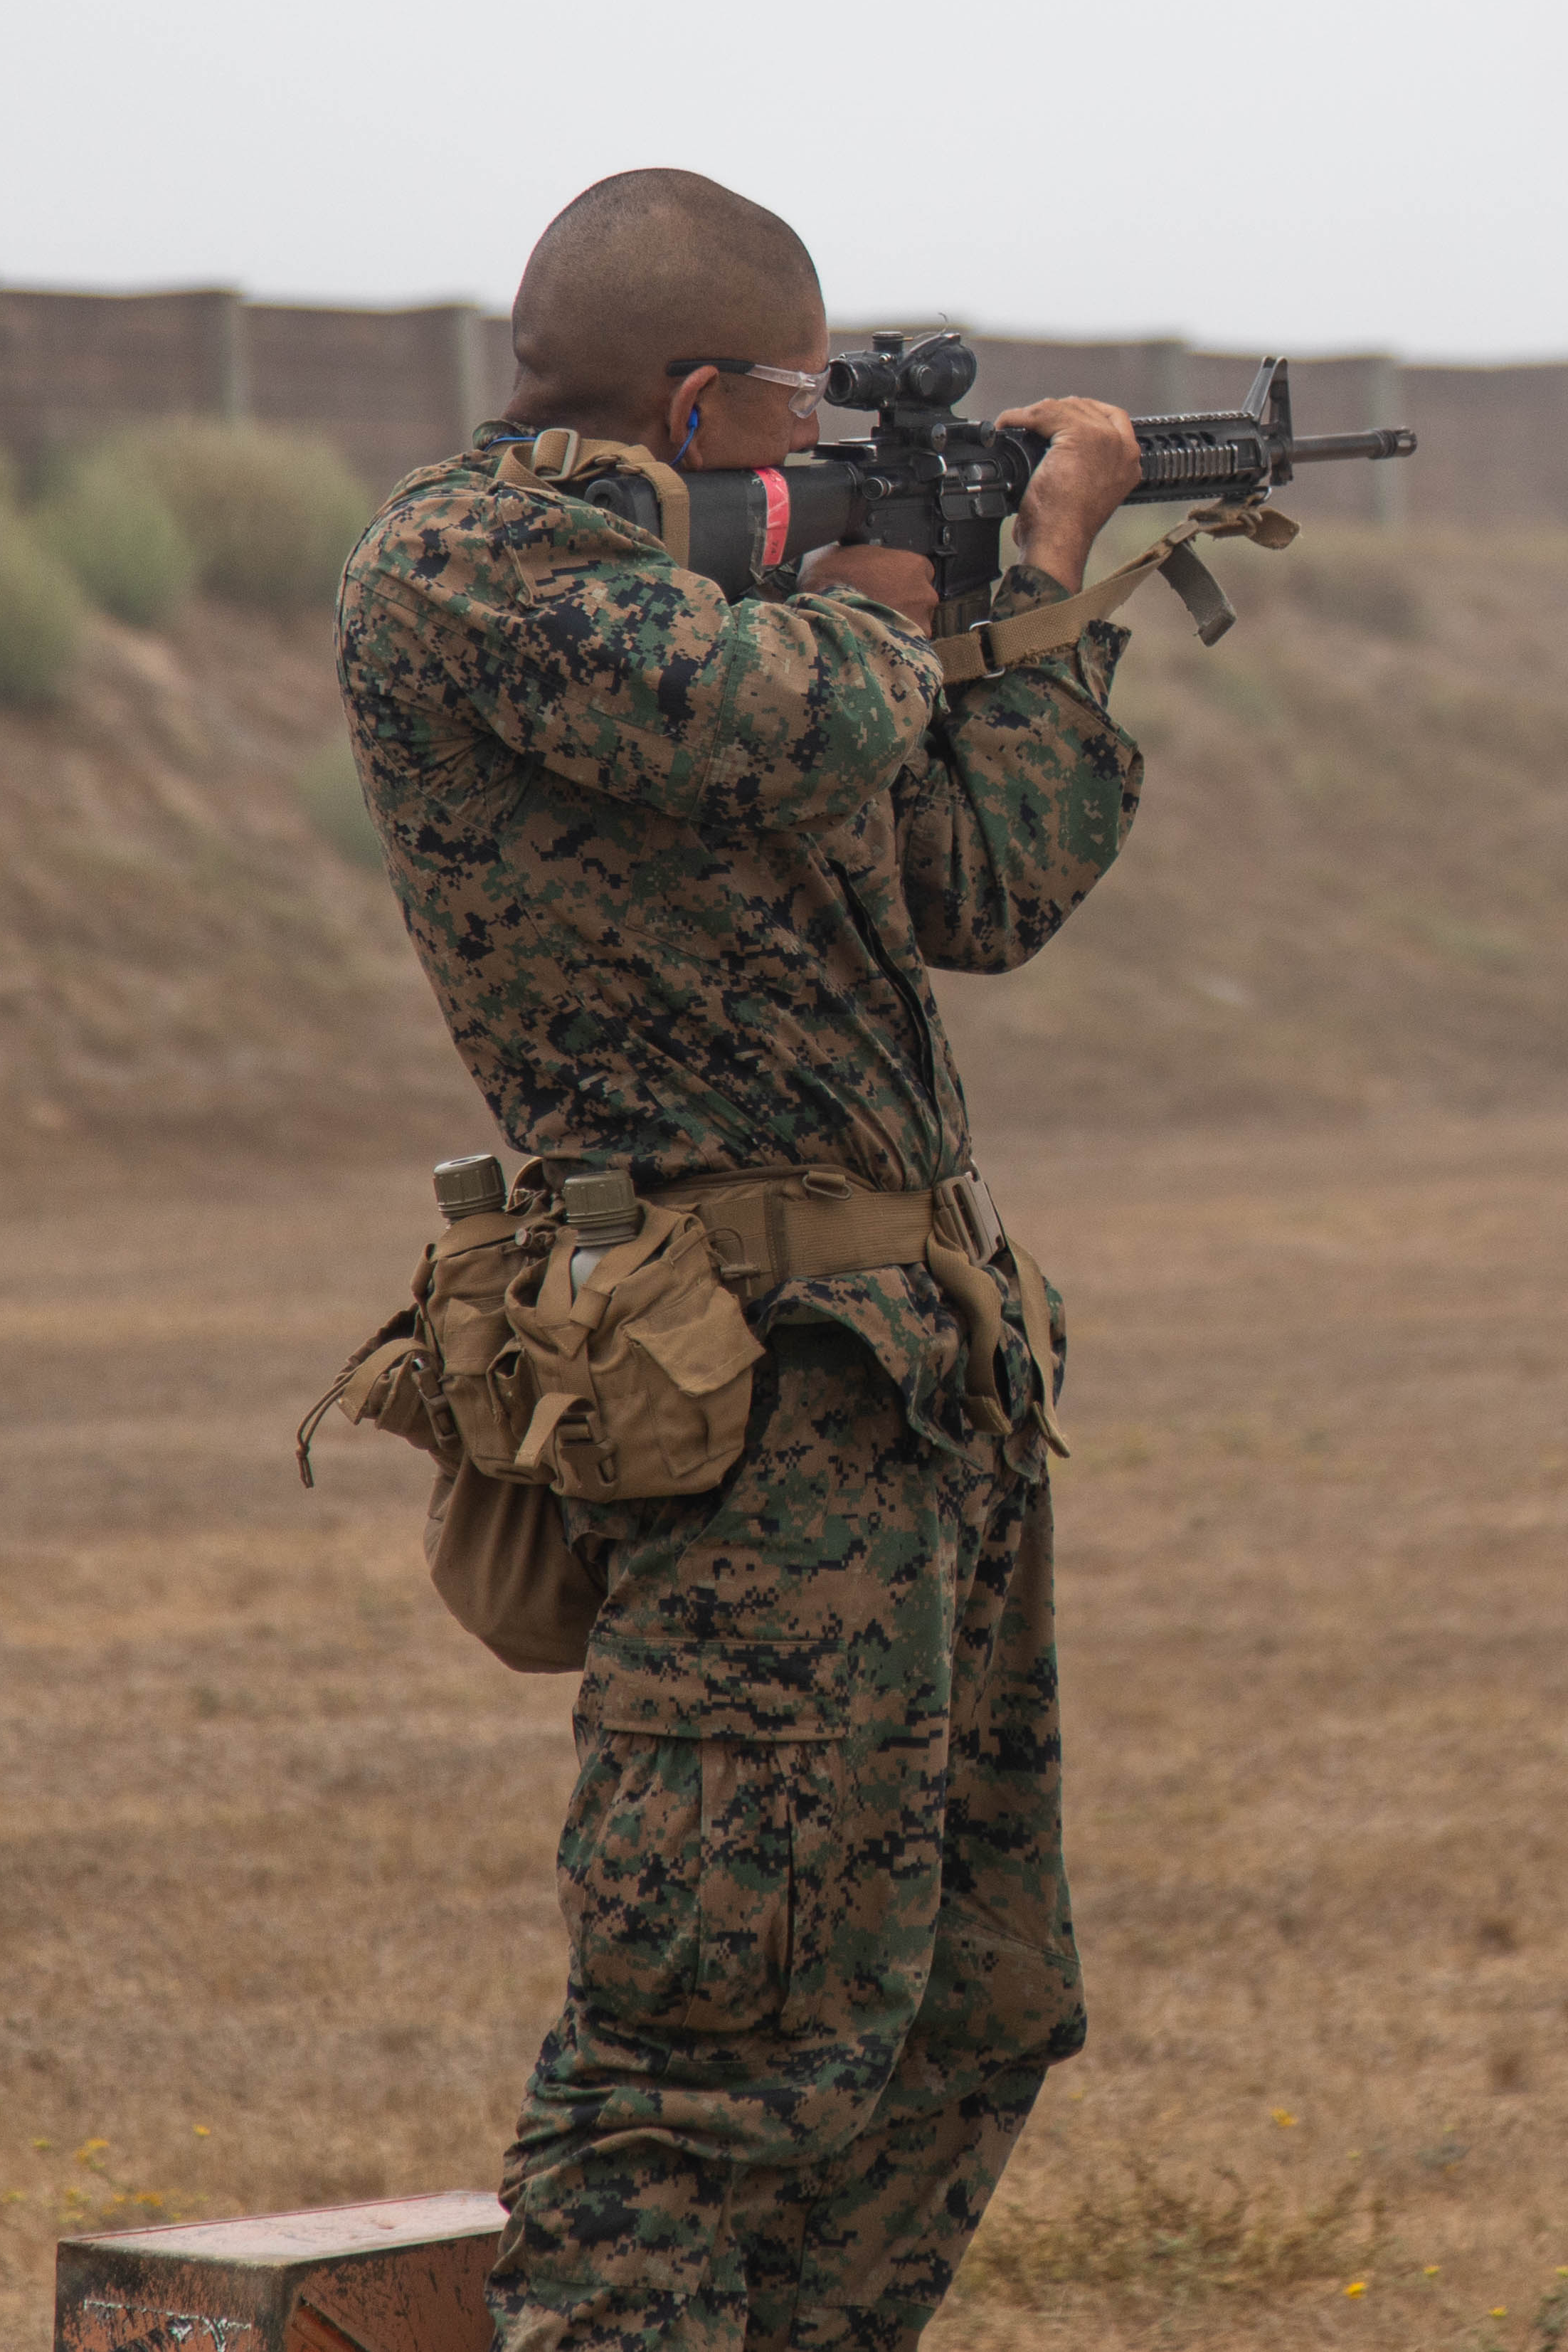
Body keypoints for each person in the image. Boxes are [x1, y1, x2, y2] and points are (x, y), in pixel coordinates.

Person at [330, 166, 1146, 2352]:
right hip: (737, 1385)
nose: (812, 453)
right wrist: (891, 597)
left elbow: (986, 876)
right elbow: (776, 713)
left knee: (968, 2011)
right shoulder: (473, 560)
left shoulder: (774, 624)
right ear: (698, 406)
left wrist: (1038, 583)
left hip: (910, 1377)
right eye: (795, 411)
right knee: (703, 2066)